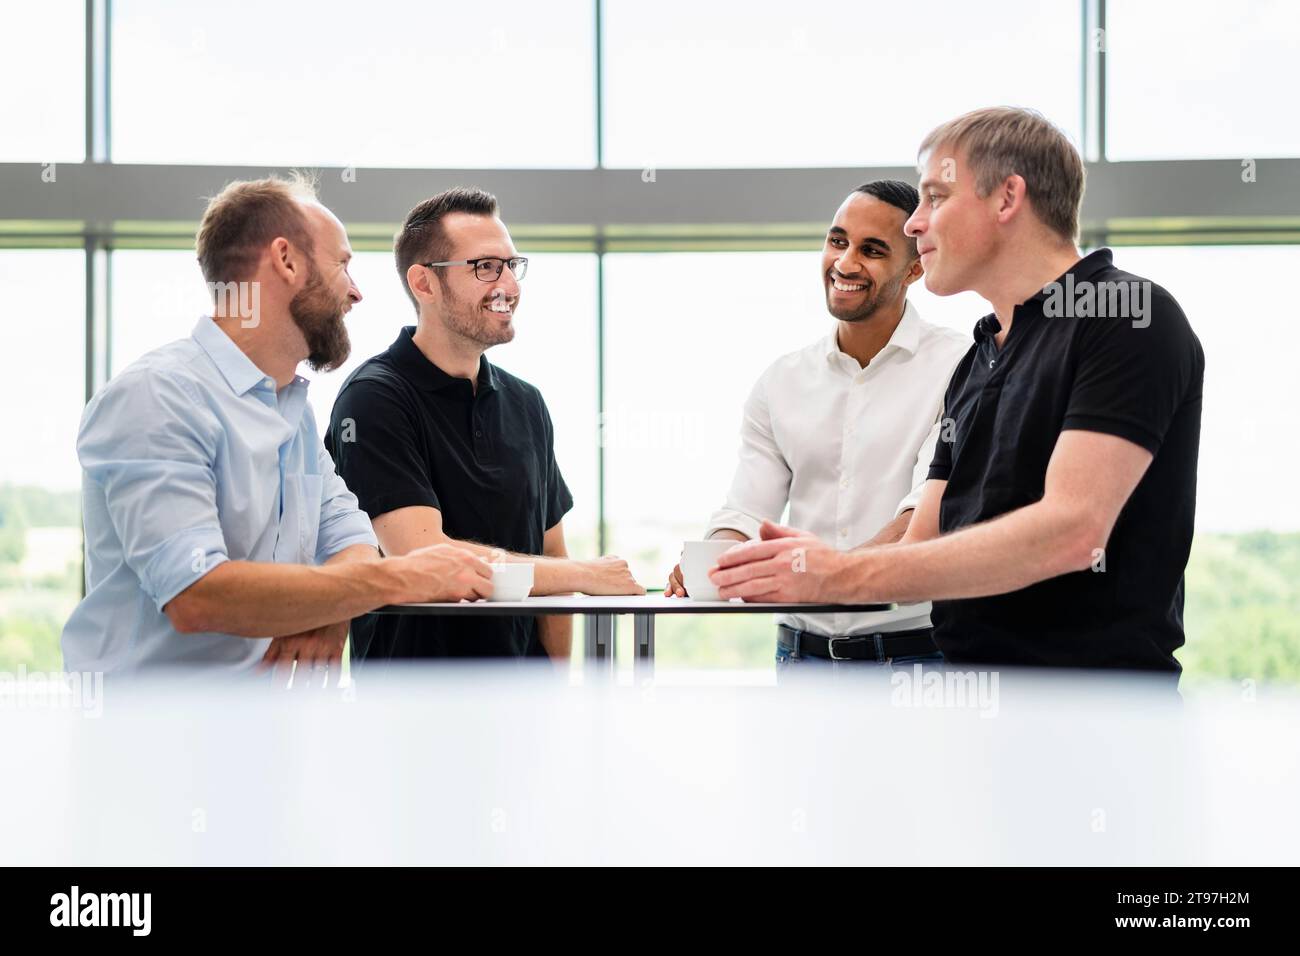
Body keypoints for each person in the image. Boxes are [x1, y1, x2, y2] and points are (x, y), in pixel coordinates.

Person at [710, 108, 1204, 673]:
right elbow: (921, 545)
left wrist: (836, 572)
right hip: (969, 703)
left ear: (1006, 199)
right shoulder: (978, 360)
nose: (916, 224)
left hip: (1092, 712)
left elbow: (1073, 531)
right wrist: (781, 567)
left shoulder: (1125, 317)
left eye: (936, 197)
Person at [62, 174, 493, 679]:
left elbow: (352, 540)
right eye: (343, 264)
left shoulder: (293, 412)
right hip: (155, 735)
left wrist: (329, 605)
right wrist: (391, 581)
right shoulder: (157, 397)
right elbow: (197, 594)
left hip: (269, 728)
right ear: (286, 260)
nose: (355, 293)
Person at [326, 188, 643, 664]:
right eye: (485, 267)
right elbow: (422, 555)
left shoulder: (527, 403)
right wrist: (585, 574)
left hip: (525, 703)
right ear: (424, 283)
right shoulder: (374, 398)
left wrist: (554, 689)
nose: (509, 285)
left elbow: (551, 552)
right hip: (412, 707)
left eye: (513, 266)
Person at [666, 181, 967, 668]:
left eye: (872, 250)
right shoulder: (781, 381)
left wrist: (834, 573)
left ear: (914, 268)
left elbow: (924, 517)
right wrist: (714, 559)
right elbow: (747, 510)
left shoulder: (958, 366)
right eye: (837, 241)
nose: (846, 264)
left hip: (915, 655)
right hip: (799, 655)